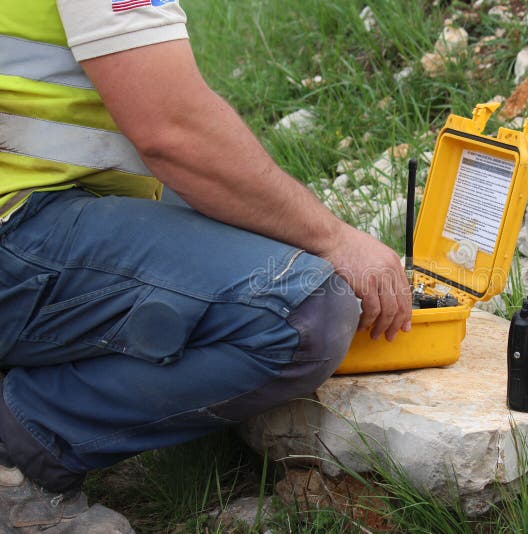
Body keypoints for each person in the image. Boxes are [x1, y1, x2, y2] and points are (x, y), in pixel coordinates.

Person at [0, 0, 412, 529]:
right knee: (302, 311)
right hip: (16, 228)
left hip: (31, 206)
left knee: (255, 230)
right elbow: (172, 131)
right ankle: (22, 443)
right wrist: (334, 239)